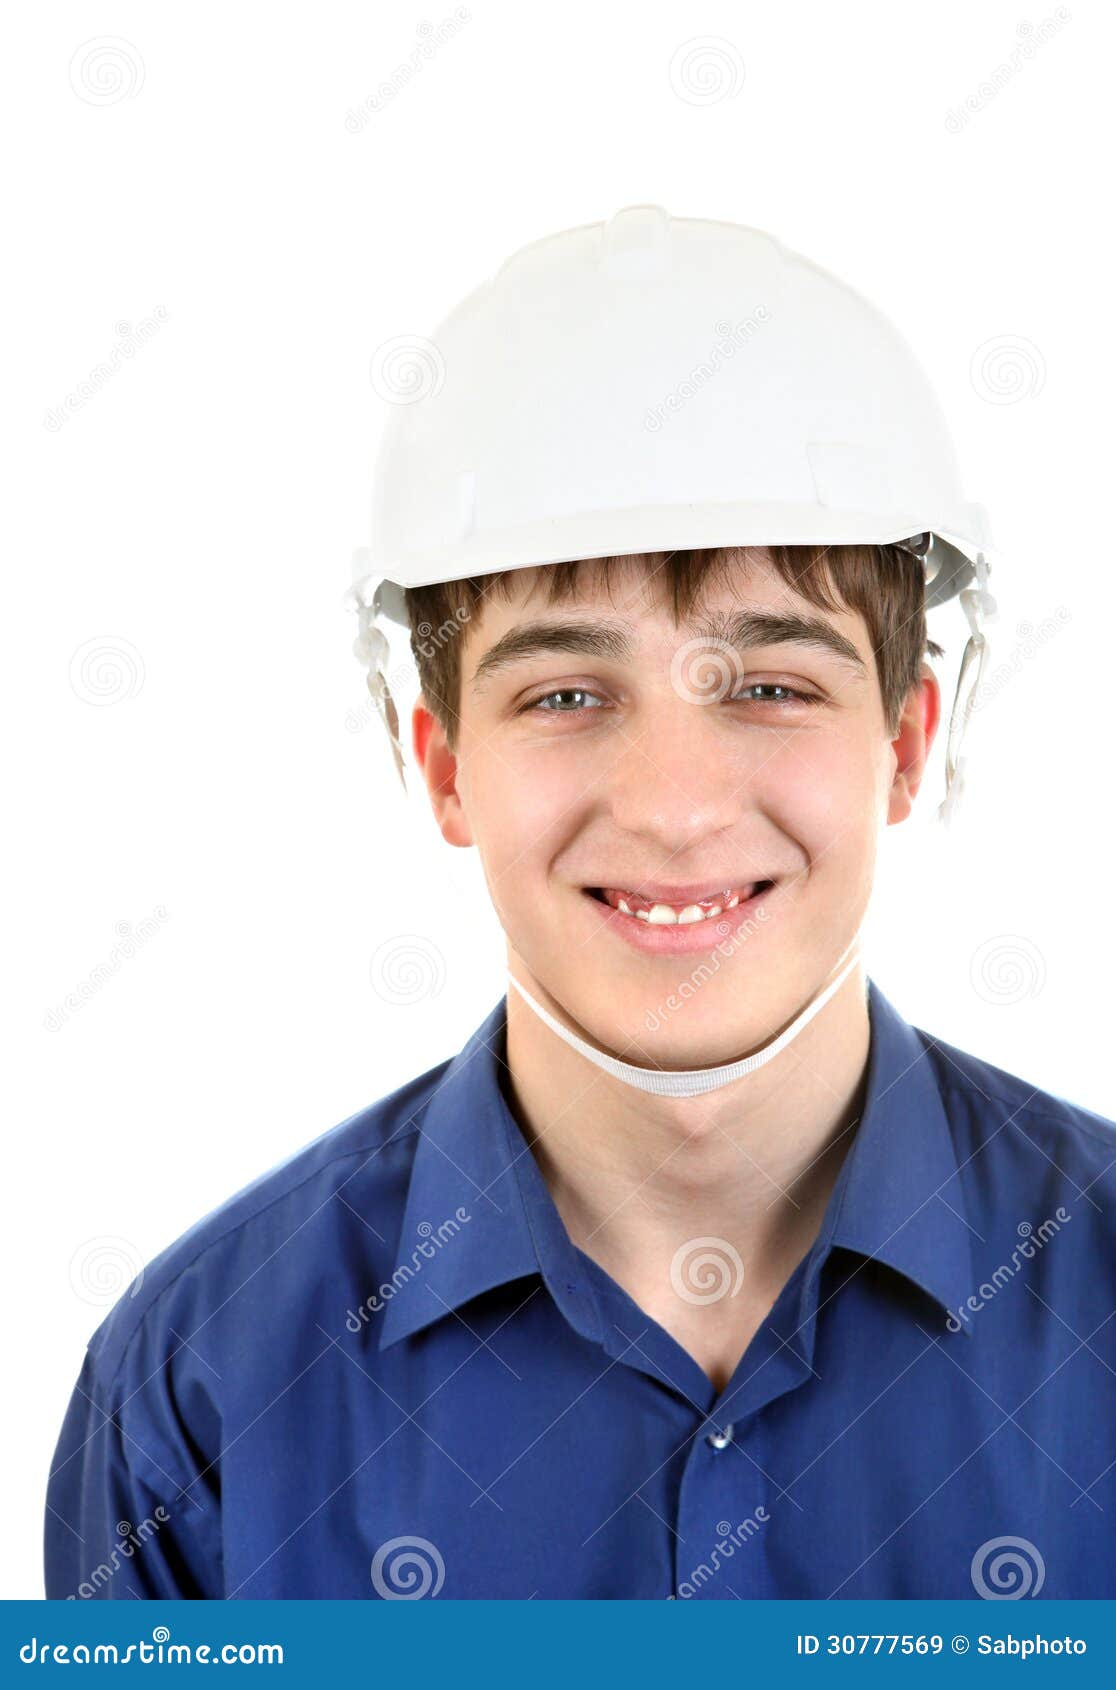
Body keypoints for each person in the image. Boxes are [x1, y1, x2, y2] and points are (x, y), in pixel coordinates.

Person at [45, 208, 1116, 1601]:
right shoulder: (199, 1394)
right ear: (442, 765)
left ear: (907, 743)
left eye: (772, 684)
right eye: (564, 694)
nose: (672, 806)